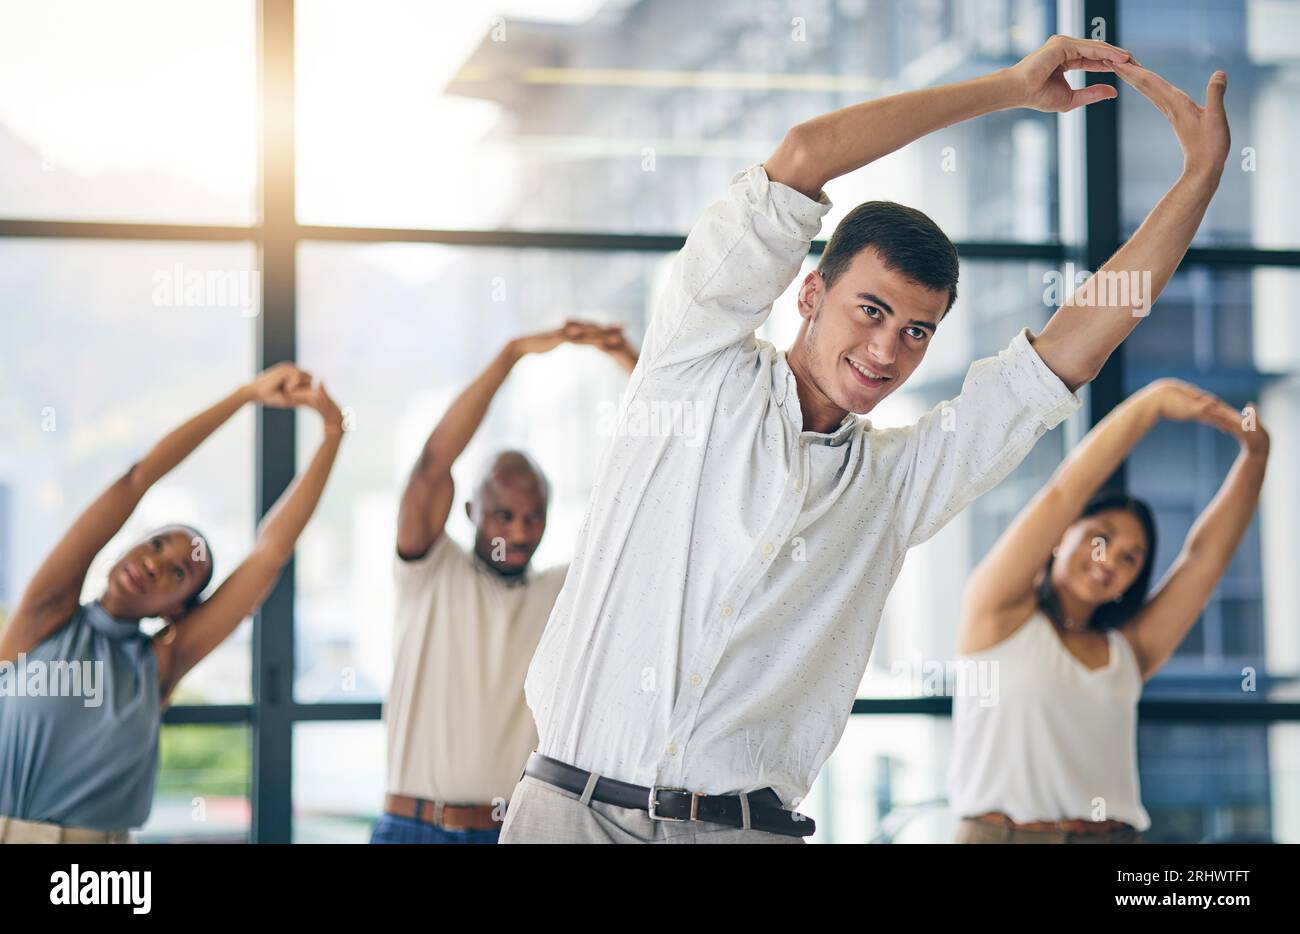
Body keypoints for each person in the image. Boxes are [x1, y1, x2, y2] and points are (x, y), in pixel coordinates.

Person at [498, 37, 1232, 843]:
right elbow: (805, 156)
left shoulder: (895, 483)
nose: (888, 351)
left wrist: (1198, 180)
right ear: (810, 292)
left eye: (918, 331)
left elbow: (1067, 352)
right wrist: (1008, 89)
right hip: (568, 813)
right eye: (871, 311)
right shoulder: (694, 365)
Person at [0, 364, 344, 843]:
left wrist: (332, 432)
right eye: (159, 544)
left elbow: (271, 552)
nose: (157, 564)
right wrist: (243, 396)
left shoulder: (158, 662)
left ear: (177, 610)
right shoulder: (46, 615)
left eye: (180, 572)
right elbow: (137, 479)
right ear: (130, 543)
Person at [949, 380, 1269, 843]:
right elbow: (1066, 490)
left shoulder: (1127, 652)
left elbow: (1204, 561)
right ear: (1062, 536)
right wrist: (1152, 404)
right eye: (1100, 538)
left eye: (1130, 558)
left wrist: (1255, 458)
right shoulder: (995, 614)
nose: (1110, 561)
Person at [370, 320, 637, 844]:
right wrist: (510, 355)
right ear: (471, 511)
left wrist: (629, 362)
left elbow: (654, 484)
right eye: (502, 514)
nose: (518, 531)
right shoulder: (428, 571)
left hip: (516, 832)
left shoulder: (560, 593)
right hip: (414, 829)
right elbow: (432, 464)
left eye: (533, 516)